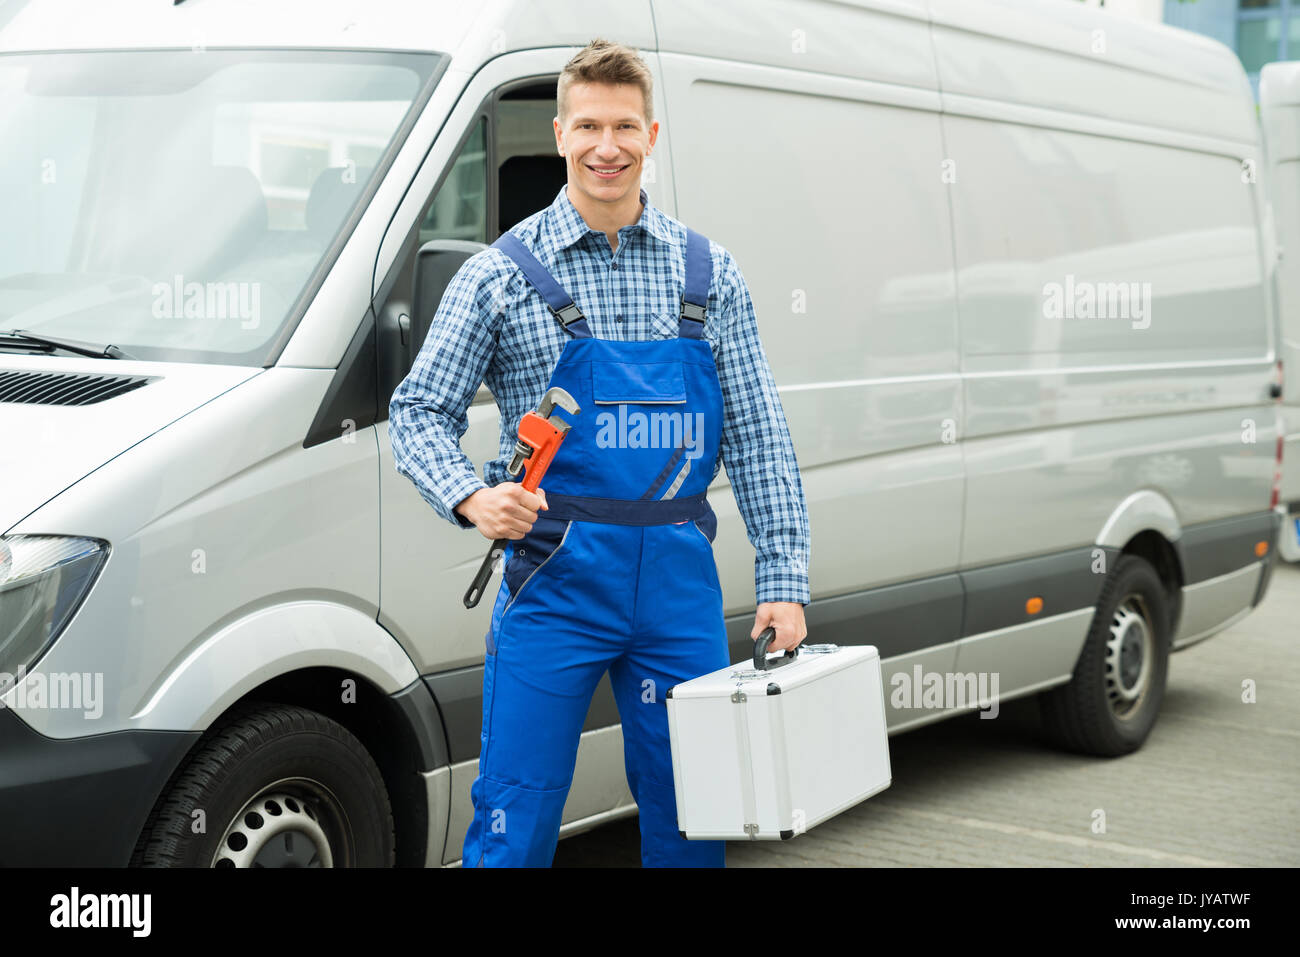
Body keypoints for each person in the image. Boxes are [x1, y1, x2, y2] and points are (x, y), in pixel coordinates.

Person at [389, 38, 811, 867]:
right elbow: (418, 411)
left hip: (679, 589)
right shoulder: (499, 276)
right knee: (515, 809)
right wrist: (472, 498)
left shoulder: (709, 273)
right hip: (556, 578)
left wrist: (784, 582)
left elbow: (760, 434)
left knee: (693, 809)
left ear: (652, 135)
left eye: (624, 126)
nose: (606, 146)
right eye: (588, 126)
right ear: (558, 134)